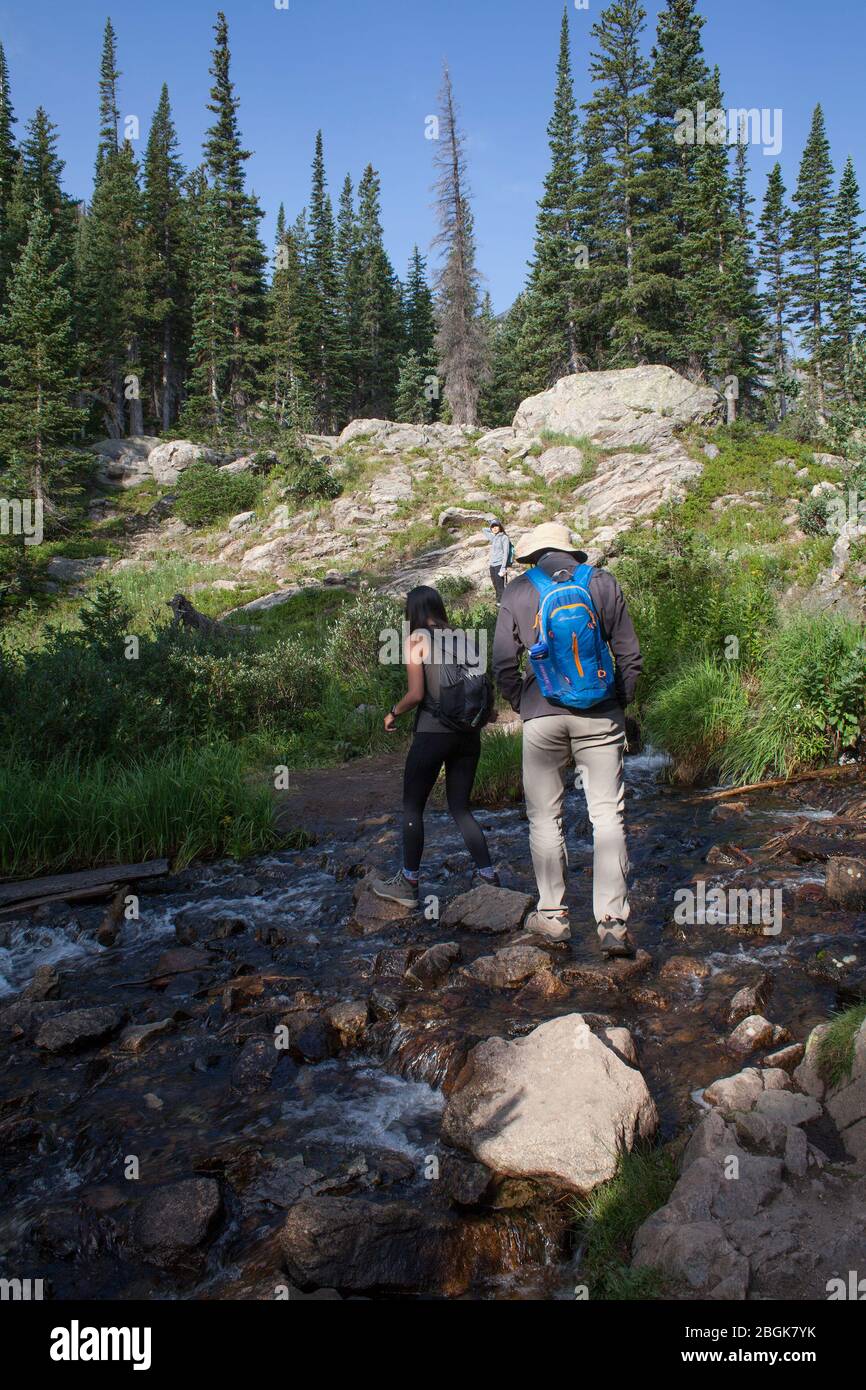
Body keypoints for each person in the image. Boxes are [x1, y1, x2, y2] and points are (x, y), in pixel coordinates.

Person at [492, 521, 642, 956]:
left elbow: (503, 662)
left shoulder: (517, 591)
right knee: (607, 816)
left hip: (542, 717)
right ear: (570, 551)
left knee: (544, 817)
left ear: (535, 556)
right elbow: (630, 656)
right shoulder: (602, 582)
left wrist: (523, 703)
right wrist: (618, 704)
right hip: (600, 715)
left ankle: (554, 916)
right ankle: (612, 923)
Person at [369, 584, 498, 907]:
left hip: (432, 734)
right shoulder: (467, 640)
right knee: (460, 808)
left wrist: (392, 713)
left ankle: (409, 883)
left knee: (413, 806)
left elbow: (415, 695)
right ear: (439, 608)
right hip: (468, 735)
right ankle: (489, 876)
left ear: (412, 612)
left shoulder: (416, 641)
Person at [483, 519, 511, 603]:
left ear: (500, 527)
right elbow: (483, 530)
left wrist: (503, 567)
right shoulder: (494, 537)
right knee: (495, 585)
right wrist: (490, 526)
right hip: (492, 565)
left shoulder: (504, 537)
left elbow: (506, 553)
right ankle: (498, 601)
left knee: (500, 586)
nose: (494, 528)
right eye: (492, 527)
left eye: (496, 526)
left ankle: (502, 604)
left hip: (499, 565)